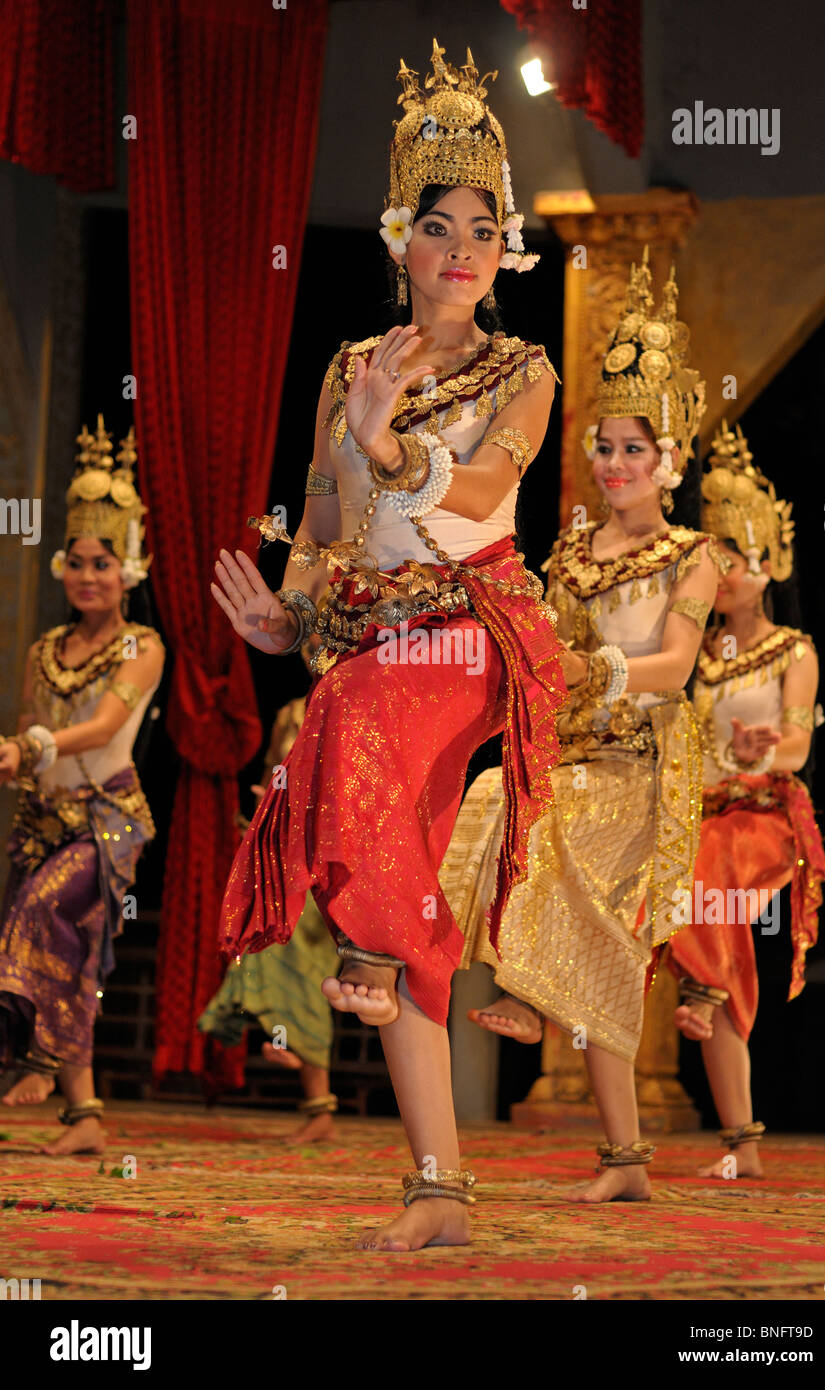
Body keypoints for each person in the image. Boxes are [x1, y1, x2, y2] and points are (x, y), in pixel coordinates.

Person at [210, 40, 567, 1251]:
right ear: (397, 241)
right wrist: (282, 612)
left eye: (482, 225)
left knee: (351, 725)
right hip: (368, 640)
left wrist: (402, 453)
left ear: (502, 245)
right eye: (437, 224)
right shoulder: (344, 369)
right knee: (367, 798)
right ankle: (438, 1184)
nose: (461, 247)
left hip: (477, 630)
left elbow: (475, 501)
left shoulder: (525, 368)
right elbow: (315, 531)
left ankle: (385, 940)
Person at [440, 250, 723, 1202]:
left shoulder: (694, 557)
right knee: (495, 807)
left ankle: (521, 988)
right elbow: (545, 649)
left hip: (642, 767)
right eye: (602, 448)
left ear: (670, 460)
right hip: (573, 752)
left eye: (633, 450)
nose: (613, 466)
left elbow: (675, 669)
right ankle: (626, 1161)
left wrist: (595, 668)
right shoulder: (569, 548)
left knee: (549, 835)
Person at [667, 422, 825, 1177]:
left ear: (770, 562)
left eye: (735, 556)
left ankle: (700, 993)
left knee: (713, 870)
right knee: (715, 925)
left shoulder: (792, 650)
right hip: (698, 820)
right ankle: (742, 1145)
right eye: (713, 555)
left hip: (762, 819)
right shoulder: (689, 658)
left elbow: (796, 749)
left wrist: (765, 749)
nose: (722, 570)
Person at [0, 416, 163, 1155]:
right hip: (44, 817)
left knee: (40, 914)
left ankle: (35, 1053)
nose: (88, 575)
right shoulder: (43, 650)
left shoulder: (142, 646)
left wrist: (30, 743)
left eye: (103, 562)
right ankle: (86, 1114)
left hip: (108, 820)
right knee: (69, 952)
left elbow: (97, 731)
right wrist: (17, 757)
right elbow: (39, 741)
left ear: (130, 567)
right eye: (77, 561)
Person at [198, 662, 341, 1144]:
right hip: (282, 850)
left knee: (308, 963)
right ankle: (285, 1042)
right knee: (269, 943)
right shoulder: (291, 714)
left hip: (332, 853)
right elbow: (271, 776)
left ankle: (308, 1074)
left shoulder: (362, 707)